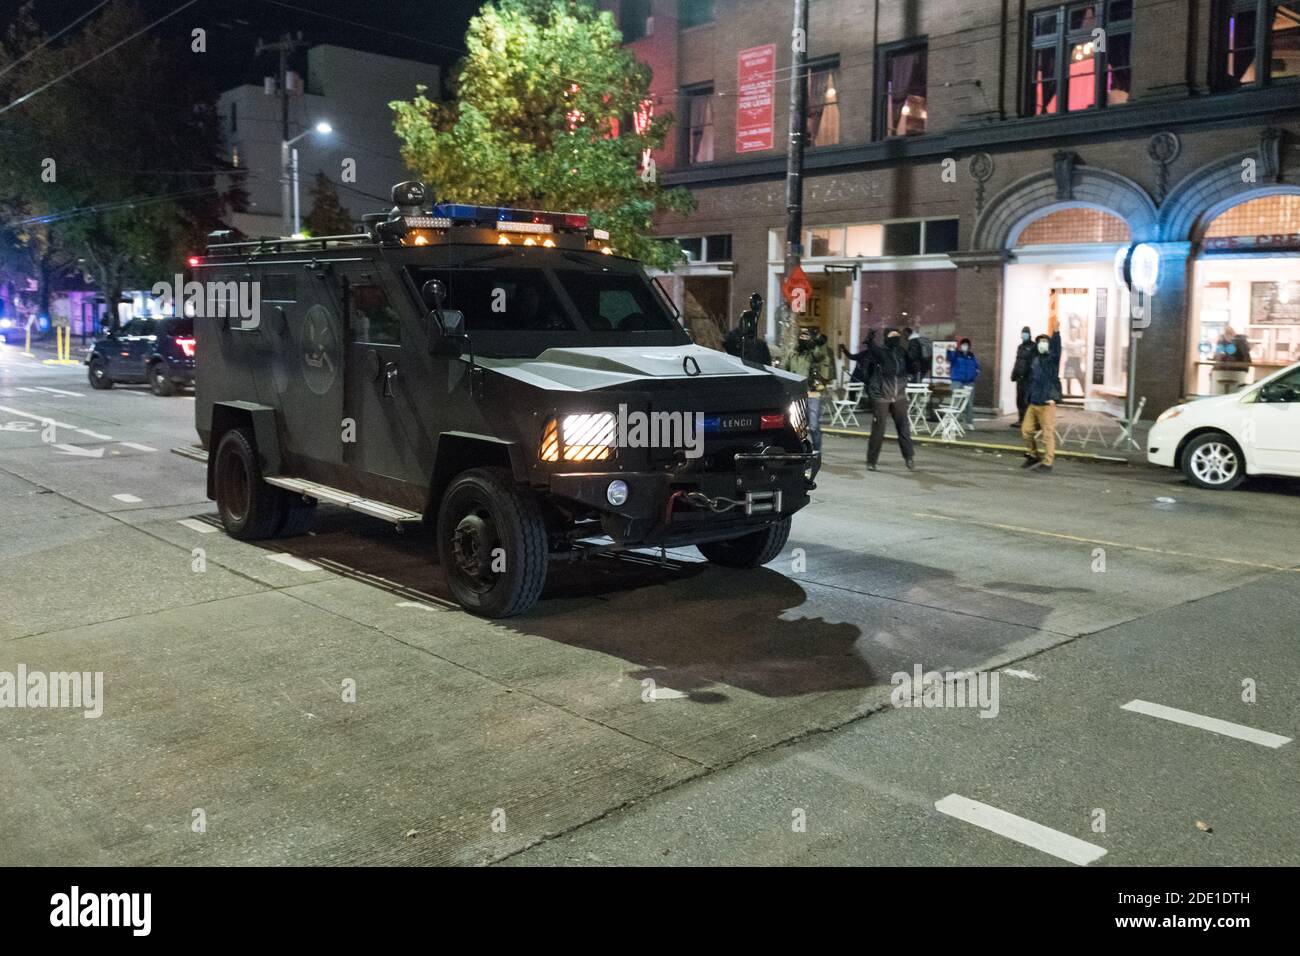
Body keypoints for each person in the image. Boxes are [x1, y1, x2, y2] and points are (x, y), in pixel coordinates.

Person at [845, 327, 916, 471]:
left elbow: (912, 365)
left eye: (897, 334)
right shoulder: (881, 352)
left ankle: (909, 457)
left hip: (899, 396)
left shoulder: (902, 352)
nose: (895, 337)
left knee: (903, 427)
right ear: (886, 337)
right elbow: (873, 349)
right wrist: (870, 341)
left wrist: (916, 358)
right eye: (892, 335)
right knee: (879, 430)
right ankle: (871, 461)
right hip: (882, 396)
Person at [784, 326, 831, 475]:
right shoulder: (792, 354)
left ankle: (817, 454)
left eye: (806, 336)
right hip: (796, 395)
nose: (803, 338)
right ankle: (798, 453)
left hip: (812, 394)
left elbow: (821, 356)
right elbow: (785, 370)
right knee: (796, 426)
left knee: (814, 427)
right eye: (802, 335)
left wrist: (817, 343)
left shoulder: (813, 353)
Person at [1021, 314, 1062, 474]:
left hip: (1046, 403)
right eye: (1040, 342)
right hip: (1034, 402)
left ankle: (1048, 462)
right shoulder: (1035, 360)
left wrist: (1056, 333)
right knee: (1026, 430)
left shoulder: (1052, 360)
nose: (1042, 344)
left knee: (1047, 433)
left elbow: (1057, 350)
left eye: (1045, 342)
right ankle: (1033, 454)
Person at [947, 337, 981, 427]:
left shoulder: (972, 356)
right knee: (955, 402)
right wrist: (950, 351)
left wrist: (975, 373)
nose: (964, 346)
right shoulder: (956, 354)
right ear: (960, 345)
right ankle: (953, 421)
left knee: (969, 403)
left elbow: (977, 367)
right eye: (963, 344)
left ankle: (969, 422)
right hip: (957, 381)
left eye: (966, 345)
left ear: (969, 346)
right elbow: (949, 357)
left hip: (969, 382)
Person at [1213, 325, 1252, 394]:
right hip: (1232, 371)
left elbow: (1242, 357)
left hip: (1237, 371)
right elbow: (1217, 356)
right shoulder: (1223, 342)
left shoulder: (1239, 342)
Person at [1010, 325, 1036, 428]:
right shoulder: (1020, 347)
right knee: (1019, 400)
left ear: (1029, 334)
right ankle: (1021, 419)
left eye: (1026, 333)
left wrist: (1028, 374)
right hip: (1019, 378)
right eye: (1023, 333)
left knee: (1027, 400)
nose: (1024, 335)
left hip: (1028, 379)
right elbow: (1017, 361)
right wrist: (1014, 374)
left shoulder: (1033, 347)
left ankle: (1028, 421)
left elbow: (1032, 363)